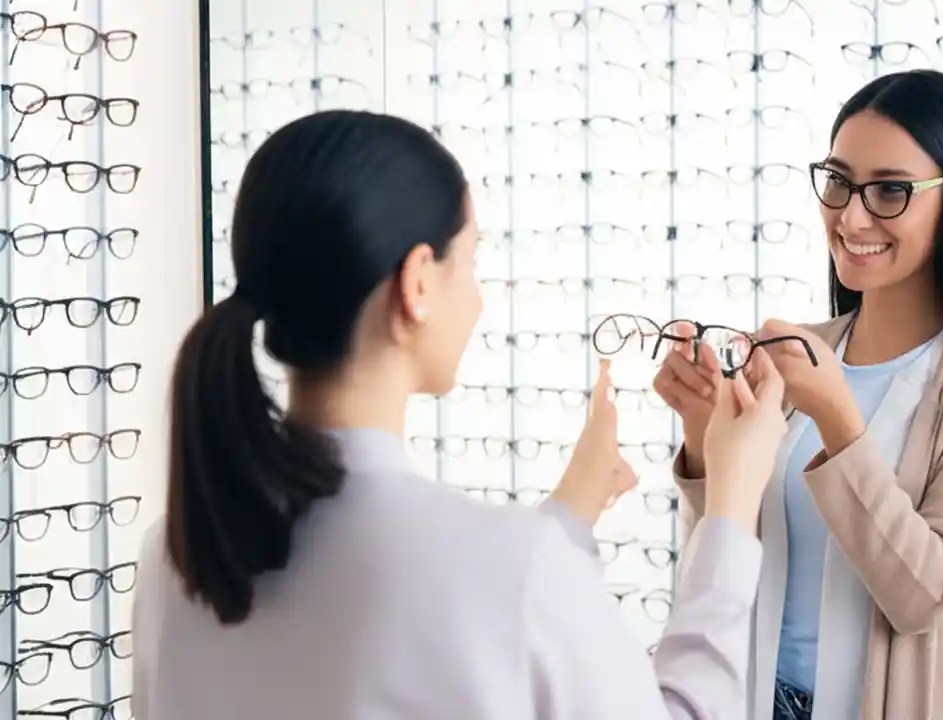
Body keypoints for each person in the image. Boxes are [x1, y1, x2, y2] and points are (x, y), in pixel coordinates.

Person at [130, 109, 791, 719]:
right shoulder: (512, 569)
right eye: (469, 261)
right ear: (417, 283)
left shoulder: (174, 557)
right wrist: (732, 504)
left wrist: (572, 510)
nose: (476, 300)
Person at [653, 69, 943, 720]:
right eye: (839, 182)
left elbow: (930, 595)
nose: (851, 215)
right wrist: (705, 444)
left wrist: (839, 419)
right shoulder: (796, 355)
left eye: (890, 191)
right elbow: (724, 558)